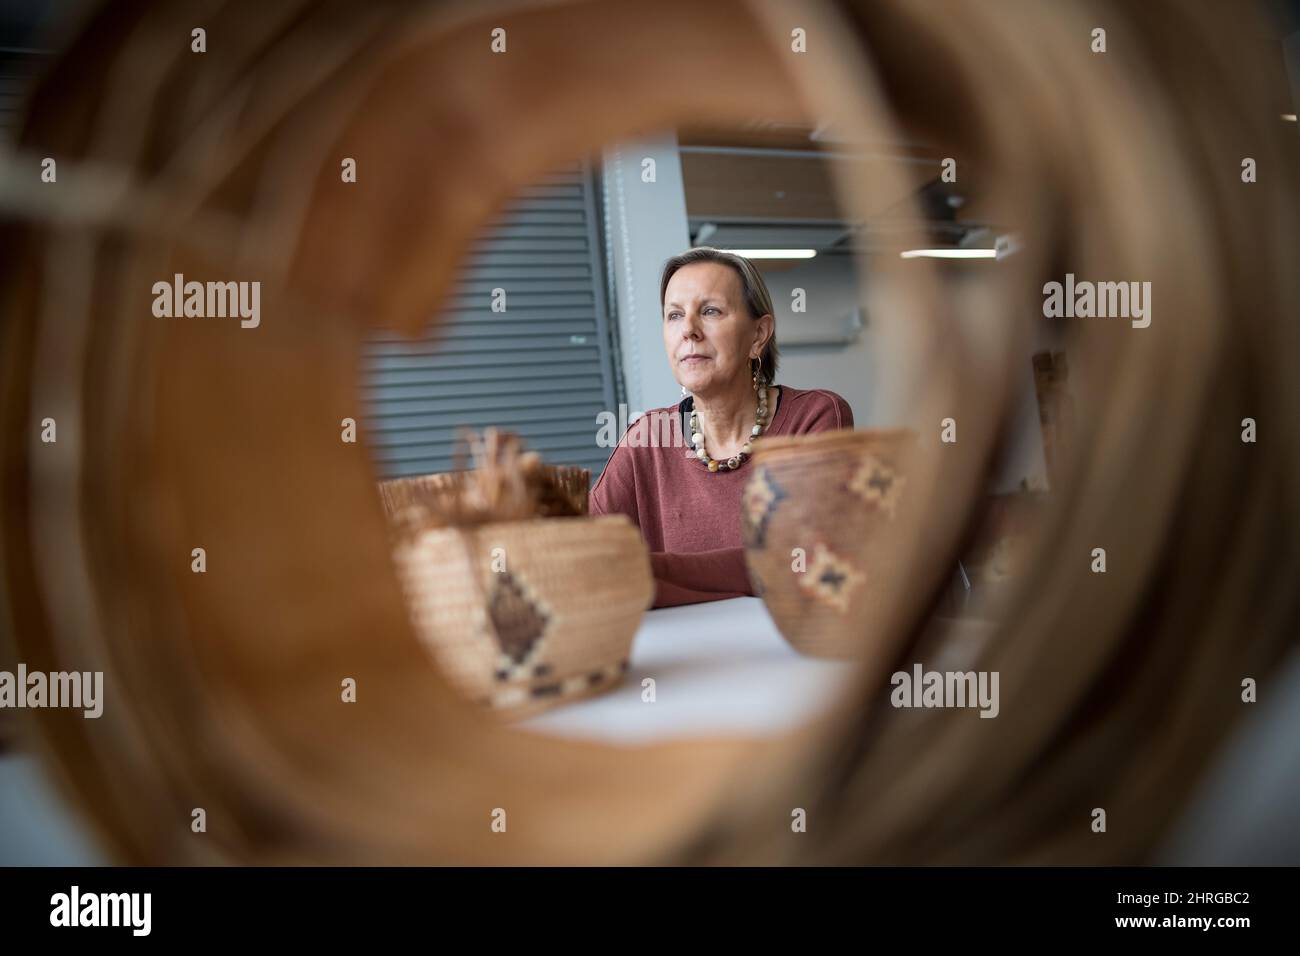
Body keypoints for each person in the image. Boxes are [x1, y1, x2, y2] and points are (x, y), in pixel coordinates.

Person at [590, 247, 853, 607]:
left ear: (758, 335)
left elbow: (799, 562)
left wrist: (646, 571)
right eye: (674, 315)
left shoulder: (814, 418)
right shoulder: (647, 439)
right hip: (685, 659)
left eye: (710, 311)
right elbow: (588, 556)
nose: (689, 331)